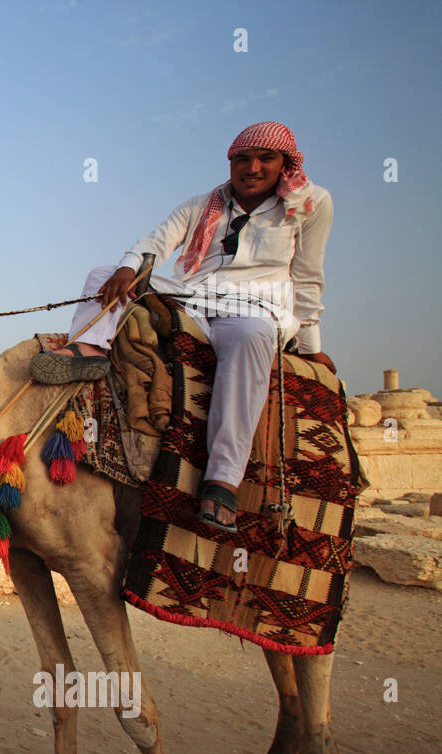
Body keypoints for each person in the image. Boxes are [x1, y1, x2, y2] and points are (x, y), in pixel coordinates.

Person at [31, 121, 334, 532]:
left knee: (251, 337)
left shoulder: (310, 203)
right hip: (196, 296)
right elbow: (154, 243)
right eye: (242, 159)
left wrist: (311, 343)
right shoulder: (203, 205)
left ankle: (223, 480)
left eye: (266, 158)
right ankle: (89, 349)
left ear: (286, 164)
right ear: (230, 163)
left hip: (256, 308)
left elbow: (308, 276)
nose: (253, 167)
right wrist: (128, 268)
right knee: (104, 272)